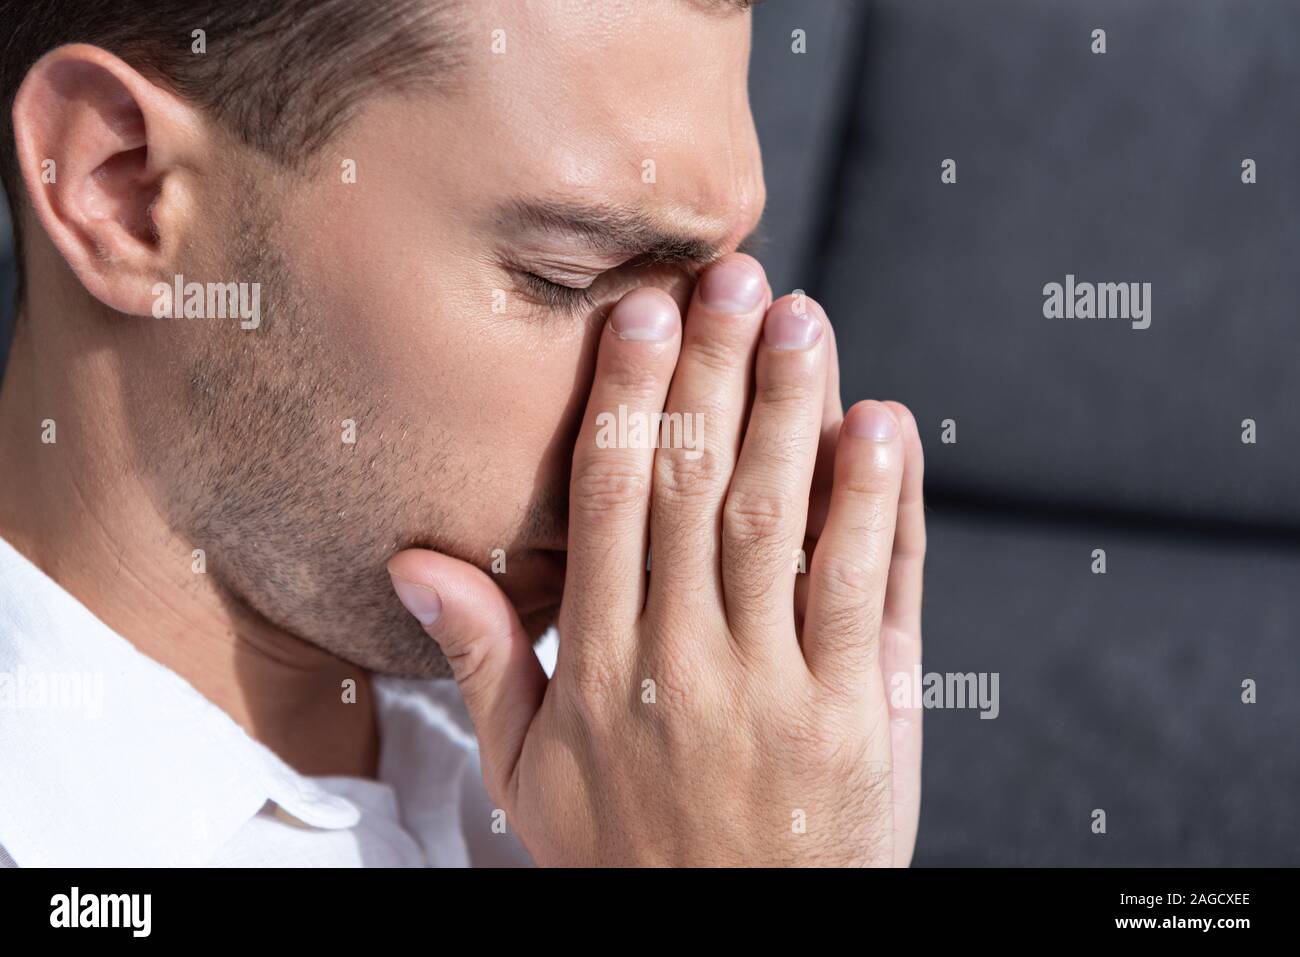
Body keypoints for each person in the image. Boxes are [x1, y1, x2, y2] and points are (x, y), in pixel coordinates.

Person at [0, 0, 925, 866]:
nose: (680, 411)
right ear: (122, 190)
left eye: (711, 287)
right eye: (565, 276)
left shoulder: (696, 743)